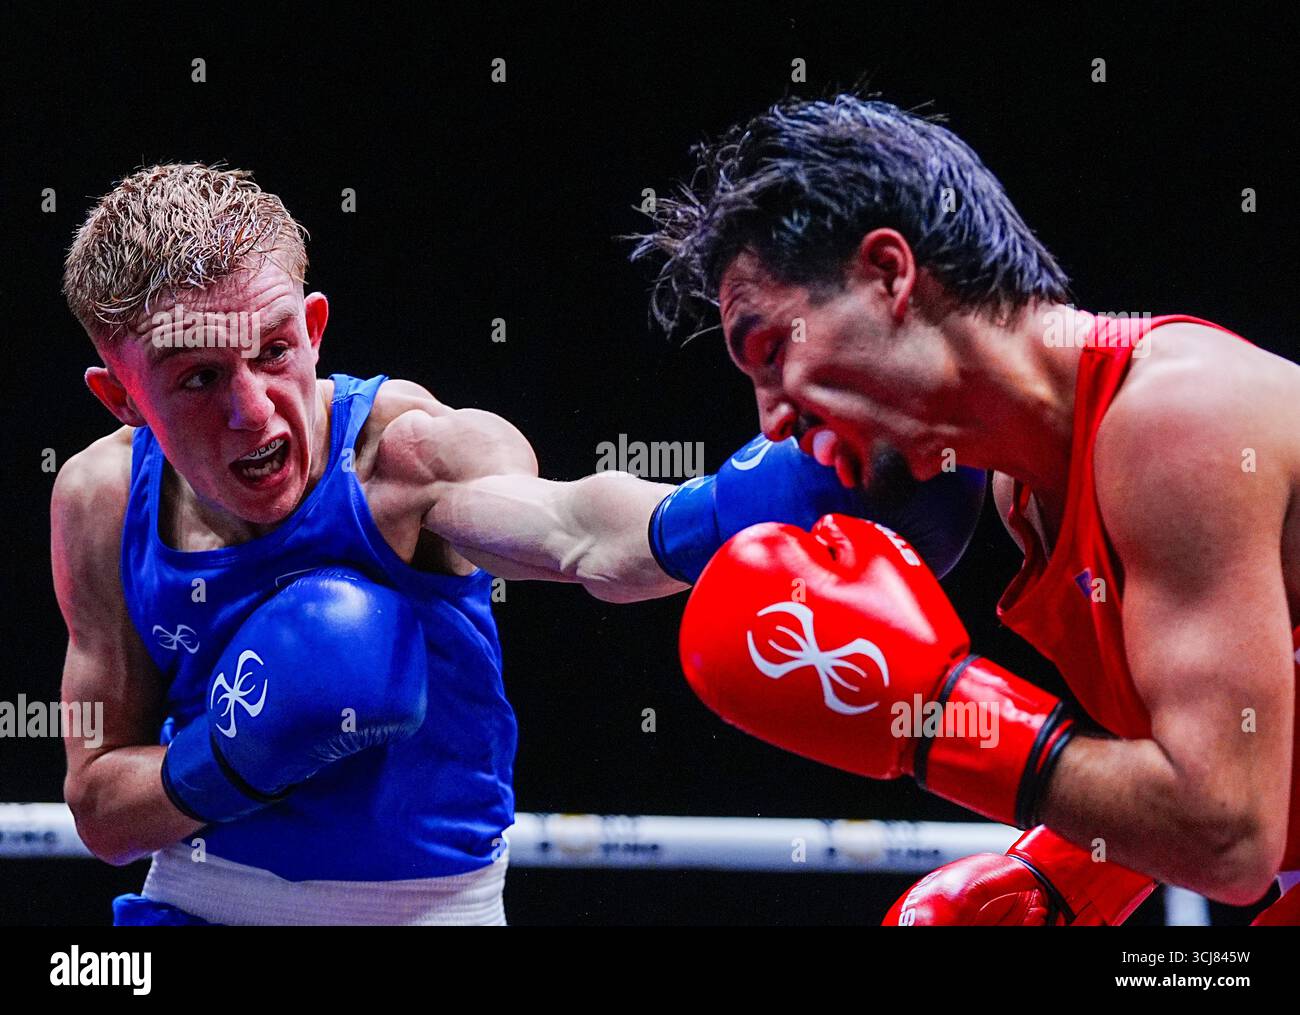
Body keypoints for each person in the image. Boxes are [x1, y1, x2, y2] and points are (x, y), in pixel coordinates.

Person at [54, 163, 982, 924]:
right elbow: (99, 809)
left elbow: (581, 531)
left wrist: (750, 503)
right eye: (199, 378)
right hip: (194, 906)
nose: (253, 409)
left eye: (274, 351)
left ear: (315, 326)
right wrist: (228, 759)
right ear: (122, 399)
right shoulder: (100, 502)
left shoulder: (403, 456)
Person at [636, 93, 1300, 924]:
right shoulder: (1029, 493)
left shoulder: (1176, 421)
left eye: (772, 351)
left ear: (889, 274)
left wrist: (941, 718)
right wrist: (1057, 880)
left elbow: (1230, 836)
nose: (771, 418)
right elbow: (1225, 757)